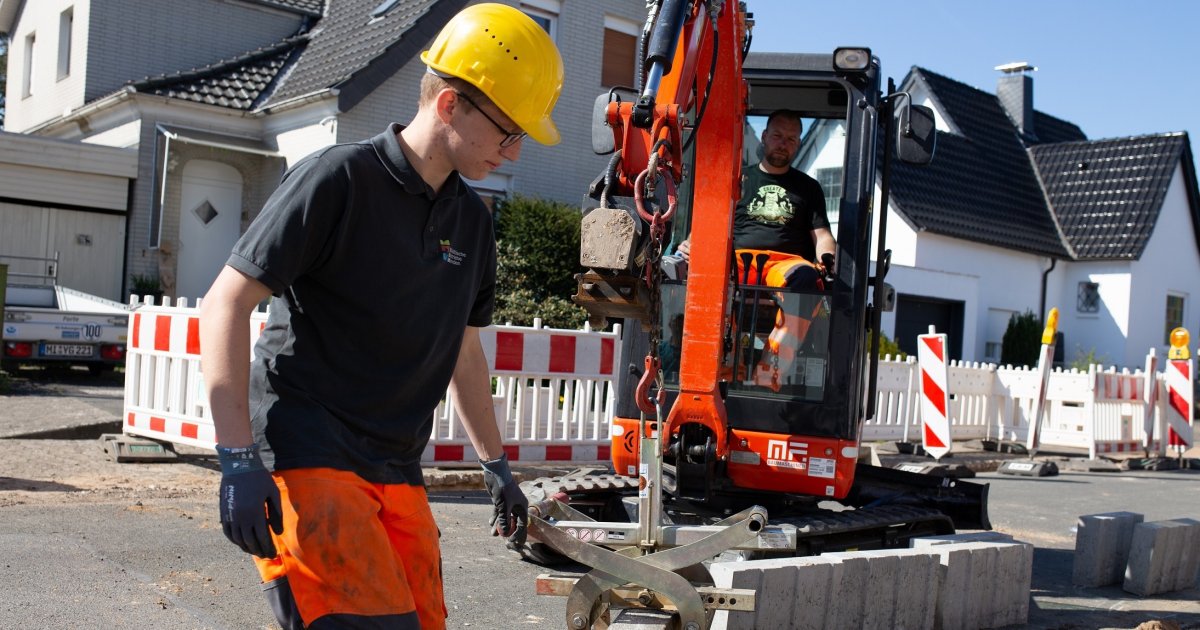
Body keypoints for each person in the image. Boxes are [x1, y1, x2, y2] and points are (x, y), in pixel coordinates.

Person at [197, 5, 563, 629]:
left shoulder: (472, 221)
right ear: (450, 105)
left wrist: (496, 466)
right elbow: (225, 304)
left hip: (396, 465)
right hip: (308, 450)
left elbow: (463, 352)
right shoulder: (338, 179)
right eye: (508, 132)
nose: (515, 151)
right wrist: (236, 459)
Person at [676, 109, 835, 288]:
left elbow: (822, 236)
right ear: (764, 136)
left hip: (787, 264)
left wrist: (828, 260)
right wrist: (691, 245)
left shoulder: (809, 187)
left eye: (791, 139)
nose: (783, 144)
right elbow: (710, 222)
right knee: (704, 269)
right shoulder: (736, 179)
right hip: (737, 261)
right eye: (777, 136)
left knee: (806, 276)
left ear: (798, 143)